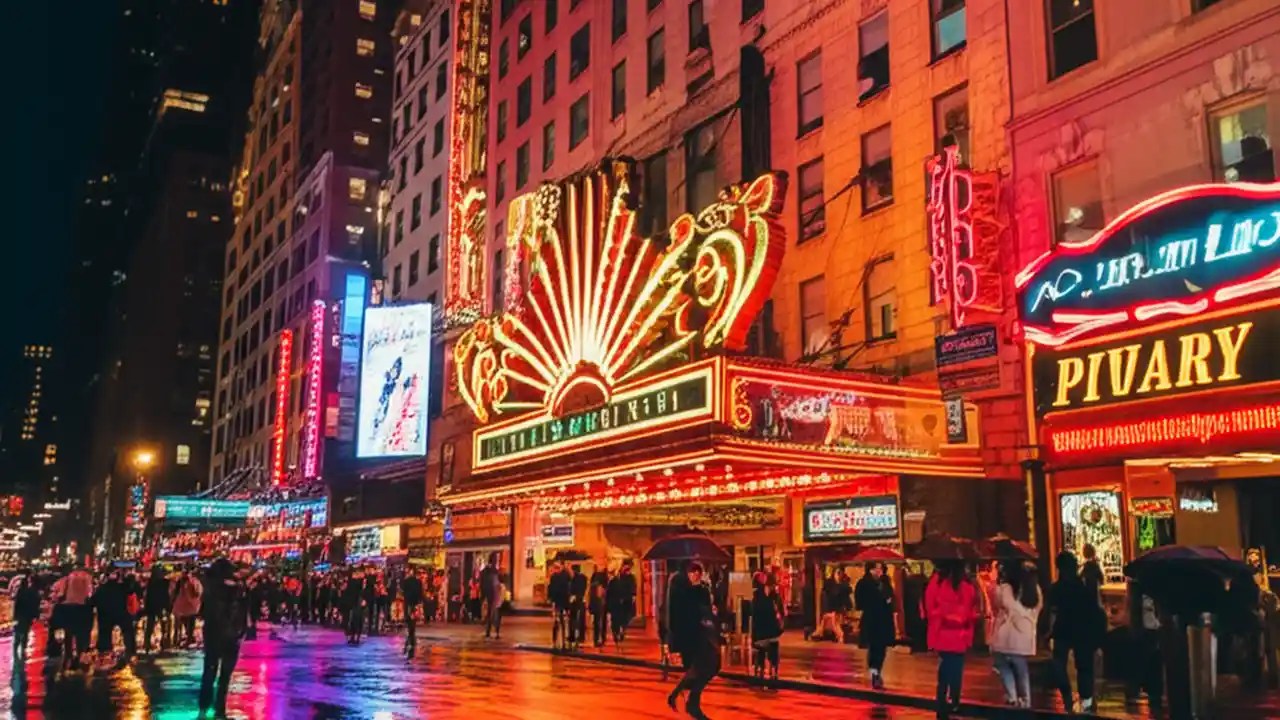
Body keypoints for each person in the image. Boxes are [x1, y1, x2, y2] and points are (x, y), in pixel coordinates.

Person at [1049, 550, 1105, 713]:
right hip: (1082, 631)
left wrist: (1046, 631)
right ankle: (1086, 701)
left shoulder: (1057, 589)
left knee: (1060, 664)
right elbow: (1094, 610)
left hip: (1063, 631)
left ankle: (1069, 697)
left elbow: (1050, 612)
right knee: (1084, 667)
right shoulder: (1083, 587)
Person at [665, 562, 720, 720]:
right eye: (693, 572)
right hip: (694, 637)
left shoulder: (702, 589)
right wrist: (672, 643)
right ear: (687, 574)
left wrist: (711, 609)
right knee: (700, 667)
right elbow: (679, 616)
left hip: (705, 634)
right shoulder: (684, 592)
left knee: (709, 667)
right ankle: (690, 702)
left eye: (698, 572)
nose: (696, 575)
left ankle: (680, 696)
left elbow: (707, 611)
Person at [925, 560, 978, 719]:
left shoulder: (938, 585)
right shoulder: (968, 588)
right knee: (957, 670)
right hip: (960, 635)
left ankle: (942, 702)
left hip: (943, 634)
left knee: (944, 671)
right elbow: (972, 612)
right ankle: (955, 701)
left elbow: (930, 608)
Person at [199, 558, 249, 719]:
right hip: (230, 636)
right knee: (225, 676)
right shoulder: (236, 590)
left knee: (209, 671)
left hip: (212, 634)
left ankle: (203, 708)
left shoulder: (209, 588)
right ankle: (219, 709)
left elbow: (204, 612)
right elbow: (239, 612)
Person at [990, 561, 1042, 708]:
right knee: (1022, 670)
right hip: (1024, 638)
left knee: (1003, 665)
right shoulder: (1034, 589)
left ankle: (1012, 697)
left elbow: (998, 604)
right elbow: (1038, 608)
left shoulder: (1006, 588)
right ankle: (1025, 701)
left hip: (1005, 637)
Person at [1125, 578, 1164, 713]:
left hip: (1152, 629)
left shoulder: (1144, 592)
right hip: (1146, 629)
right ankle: (1145, 692)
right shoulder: (1139, 592)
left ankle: (1150, 693)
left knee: (1151, 662)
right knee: (1146, 662)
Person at [856, 561, 895, 690]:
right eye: (876, 569)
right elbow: (860, 602)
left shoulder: (885, 582)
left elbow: (891, 598)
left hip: (884, 620)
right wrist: (876, 599)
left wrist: (888, 599)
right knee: (873, 649)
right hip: (872, 620)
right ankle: (875, 674)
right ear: (870, 570)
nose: (879, 571)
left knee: (882, 649)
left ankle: (878, 671)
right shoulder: (864, 583)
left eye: (880, 568)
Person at [52, 563, 94, 671]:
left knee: (68, 634)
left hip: (68, 609)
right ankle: (80, 656)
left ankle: (68, 656)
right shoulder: (87, 577)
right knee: (80, 634)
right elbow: (90, 594)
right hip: (81, 609)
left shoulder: (66, 579)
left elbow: (59, 594)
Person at [750, 571, 784, 683]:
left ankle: (761, 669)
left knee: (761, 648)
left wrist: (753, 636)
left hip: (761, 634)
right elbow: (775, 617)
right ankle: (773, 670)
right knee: (772, 646)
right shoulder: (770, 600)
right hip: (770, 634)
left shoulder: (755, 600)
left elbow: (754, 619)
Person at [606, 561, 638, 644]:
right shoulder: (614, 581)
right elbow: (609, 593)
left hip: (624, 603)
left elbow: (633, 590)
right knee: (616, 620)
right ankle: (617, 632)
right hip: (616, 604)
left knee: (623, 619)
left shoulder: (630, 578)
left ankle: (620, 631)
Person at [143, 566, 172, 653]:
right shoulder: (165, 583)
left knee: (150, 626)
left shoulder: (151, 583)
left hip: (152, 606)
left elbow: (148, 596)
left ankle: (147, 644)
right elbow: (166, 595)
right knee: (164, 625)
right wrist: (167, 606)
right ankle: (164, 643)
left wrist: (146, 607)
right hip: (160, 606)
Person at [12, 573, 40, 661]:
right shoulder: (33, 592)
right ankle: (22, 649)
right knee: (25, 632)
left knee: (17, 632)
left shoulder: (21, 591)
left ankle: (15, 648)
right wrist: (36, 615)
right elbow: (35, 604)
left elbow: (17, 604)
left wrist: (14, 615)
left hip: (20, 615)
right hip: (27, 615)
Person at [173, 569, 204, 648]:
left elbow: (175, 592)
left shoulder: (182, 582)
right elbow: (198, 592)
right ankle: (189, 637)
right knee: (189, 621)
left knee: (187, 620)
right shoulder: (193, 581)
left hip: (184, 605)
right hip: (191, 605)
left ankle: (189, 637)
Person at [480, 553, 505, 639]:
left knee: (496, 614)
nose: (497, 560)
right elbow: (484, 583)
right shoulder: (488, 571)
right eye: (496, 558)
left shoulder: (495, 571)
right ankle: (489, 631)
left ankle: (494, 632)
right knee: (491, 613)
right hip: (491, 595)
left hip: (496, 595)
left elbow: (500, 582)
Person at [548, 562, 572, 647]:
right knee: (562, 622)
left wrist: (551, 600)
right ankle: (563, 642)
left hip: (559, 602)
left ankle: (557, 642)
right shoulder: (564, 576)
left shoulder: (555, 577)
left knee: (558, 622)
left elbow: (551, 589)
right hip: (563, 602)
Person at [401, 569, 424, 658]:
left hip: (408, 604)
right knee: (413, 621)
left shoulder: (406, 581)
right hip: (415, 604)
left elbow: (403, 592)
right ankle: (411, 635)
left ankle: (410, 635)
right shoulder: (418, 582)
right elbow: (420, 594)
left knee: (408, 620)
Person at [589, 565, 610, 648]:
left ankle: (599, 639)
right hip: (598, 603)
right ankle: (598, 639)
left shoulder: (600, 576)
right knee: (598, 622)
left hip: (600, 602)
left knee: (600, 621)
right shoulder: (598, 576)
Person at [567, 564, 588, 648]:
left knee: (573, 619)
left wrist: (573, 596)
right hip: (581, 600)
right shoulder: (584, 578)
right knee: (581, 620)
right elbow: (584, 588)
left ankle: (572, 636)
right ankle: (581, 637)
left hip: (575, 600)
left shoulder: (574, 578)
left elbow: (573, 589)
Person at [343, 571, 366, 644]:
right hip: (355, 603)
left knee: (358, 620)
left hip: (358, 603)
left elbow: (362, 592)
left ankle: (356, 637)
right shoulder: (354, 582)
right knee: (354, 620)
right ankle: (353, 636)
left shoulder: (360, 582)